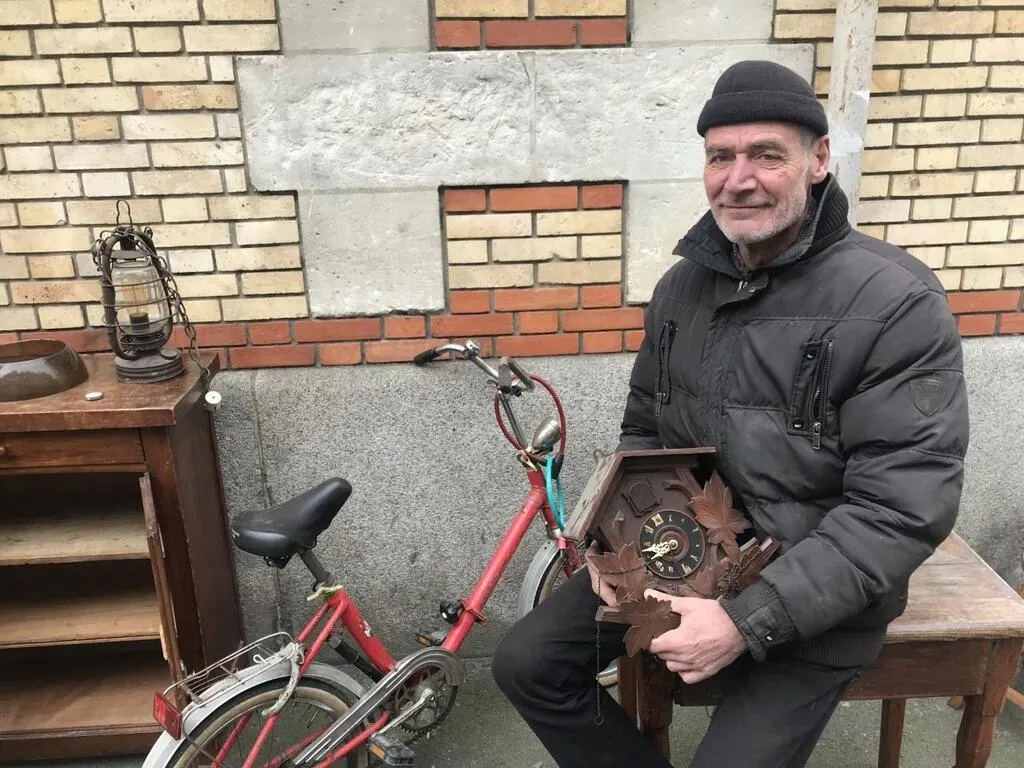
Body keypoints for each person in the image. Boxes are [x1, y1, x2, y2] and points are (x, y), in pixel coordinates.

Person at [492, 59, 970, 768]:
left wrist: (745, 622)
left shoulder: (895, 302)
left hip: (817, 602)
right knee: (526, 662)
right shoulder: (683, 288)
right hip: (686, 557)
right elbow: (645, 435)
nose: (738, 178)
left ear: (818, 161)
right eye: (721, 156)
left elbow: (900, 511)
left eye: (766, 155)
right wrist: (616, 548)